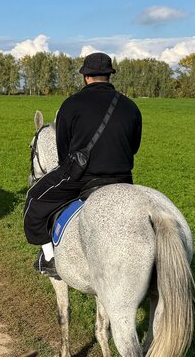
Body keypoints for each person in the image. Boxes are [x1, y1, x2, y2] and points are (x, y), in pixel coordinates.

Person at [24, 51, 142, 278]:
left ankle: (49, 258)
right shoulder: (131, 106)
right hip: (123, 179)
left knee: (34, 199)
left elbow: (63, 151)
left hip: (81, 177)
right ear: (109, 75)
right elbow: (134, 146)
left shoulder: (71, 104)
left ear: (86, 76)